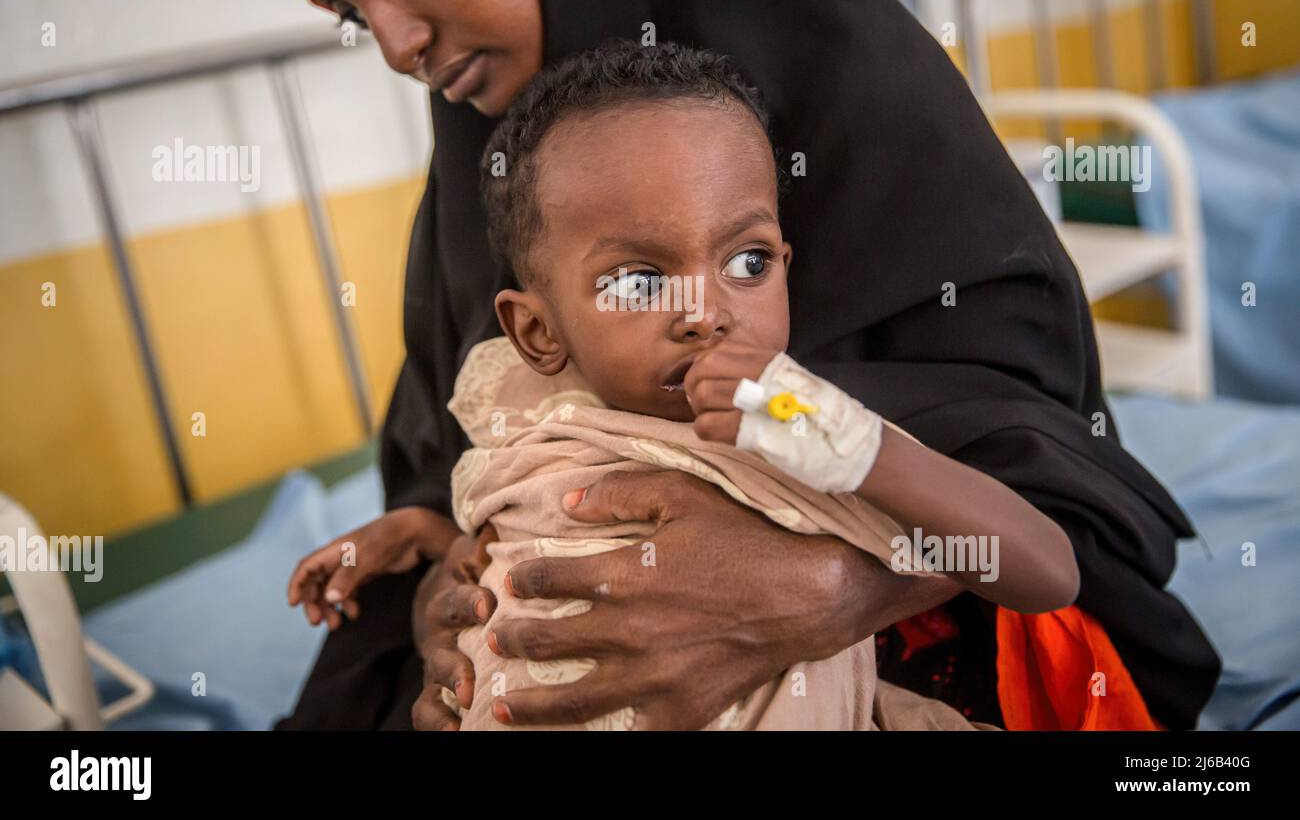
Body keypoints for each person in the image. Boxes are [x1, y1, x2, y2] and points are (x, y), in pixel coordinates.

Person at [232, 0, 1220, 731]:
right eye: (353, 15)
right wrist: (445, 602)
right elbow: (443, 465)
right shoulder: (475, 200)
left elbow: (1047, 485)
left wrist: (838, 582)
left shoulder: (861, 98)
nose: (398, 43)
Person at [287, 41, 1098, 730]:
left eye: (747, 263)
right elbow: (514, 523)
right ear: (537, 334)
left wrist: (861, 449)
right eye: (639, 283)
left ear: (785, 266)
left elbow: (1043, 569)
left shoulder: (798, 436)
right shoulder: (532, 413)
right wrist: (430, 543)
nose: (705, 314)